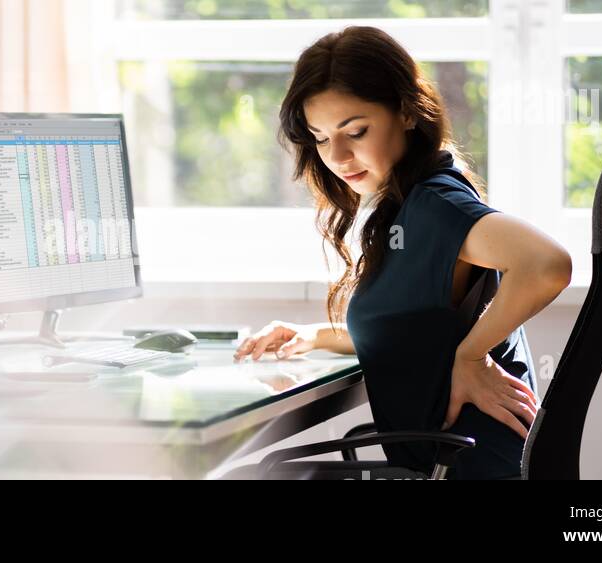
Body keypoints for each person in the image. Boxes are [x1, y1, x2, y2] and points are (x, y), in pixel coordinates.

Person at [234, 26, 572, 479]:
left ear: (408, 113)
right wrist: (314, 334)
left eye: (355, 131)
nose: (336, 155)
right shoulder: (409, 205)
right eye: (319, 137)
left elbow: (548, 264)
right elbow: (413, 332)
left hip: (465, 467)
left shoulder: (434, 206)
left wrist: (471, 356)